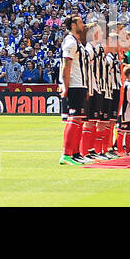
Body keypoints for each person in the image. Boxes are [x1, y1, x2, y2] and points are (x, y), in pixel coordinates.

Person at [58, 14, 89, 165]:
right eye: (80, 22)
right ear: (72, 25)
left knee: (80, 119)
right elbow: (66, 65)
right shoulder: (70, 41)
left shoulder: (78, 42)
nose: (83, 25)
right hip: (75, 85)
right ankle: (66, 154)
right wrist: (65, 86)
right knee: (74, 118)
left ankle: (75, 153)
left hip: (81, 84)